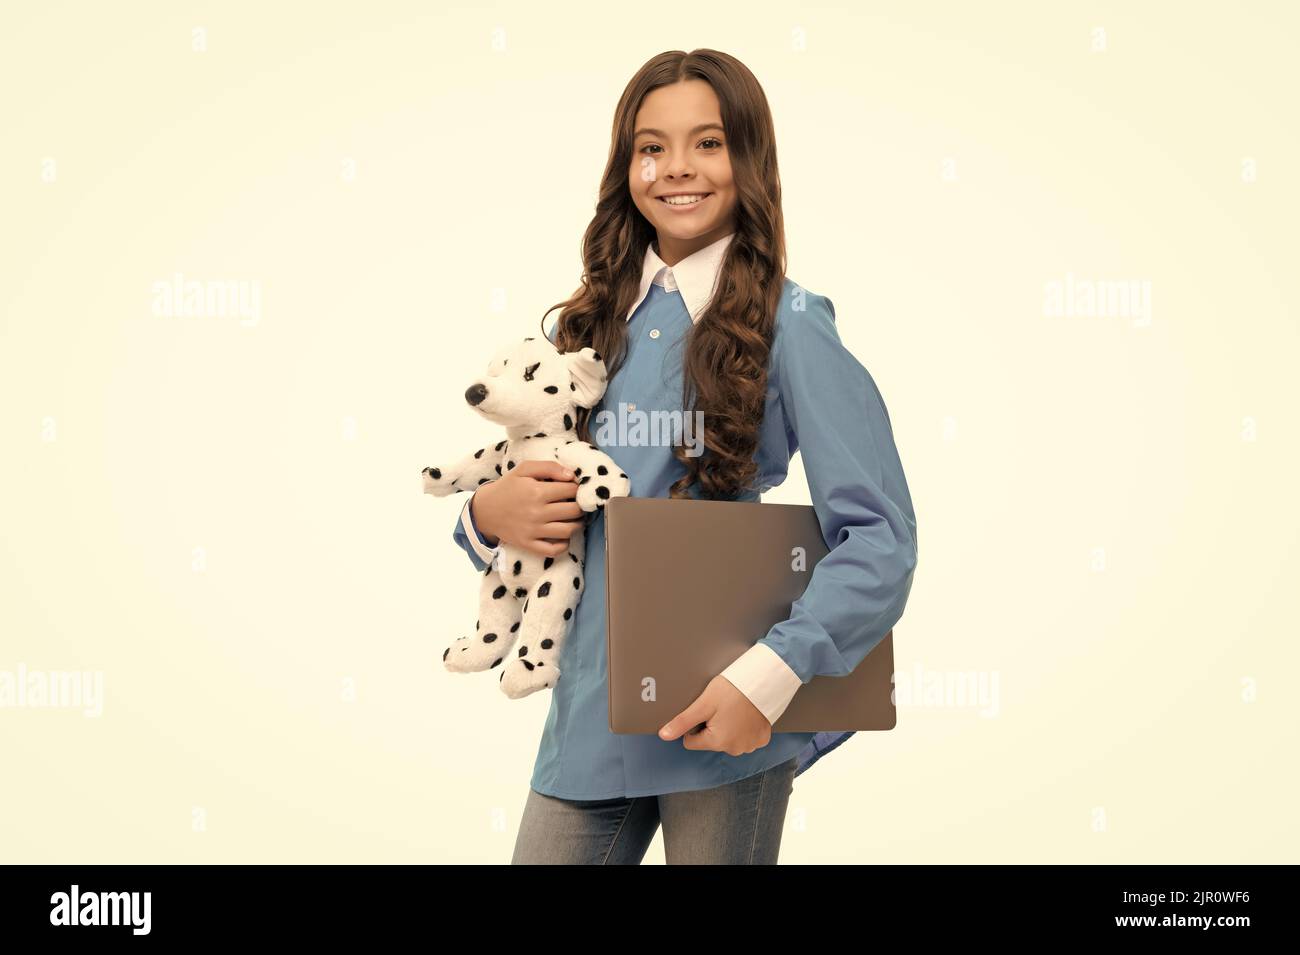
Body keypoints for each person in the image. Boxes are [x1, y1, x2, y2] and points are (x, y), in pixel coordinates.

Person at [449, 49, 918, 864]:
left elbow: (881, 537)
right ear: (625, 164)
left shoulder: (794, 323)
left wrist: (765, 680)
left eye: (708, 142)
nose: (676, 169)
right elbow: (533, 486)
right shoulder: (588, 328)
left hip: (725, 708)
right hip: (589, 710)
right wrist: (486, 515)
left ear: (750, 156)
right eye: (650, 146)